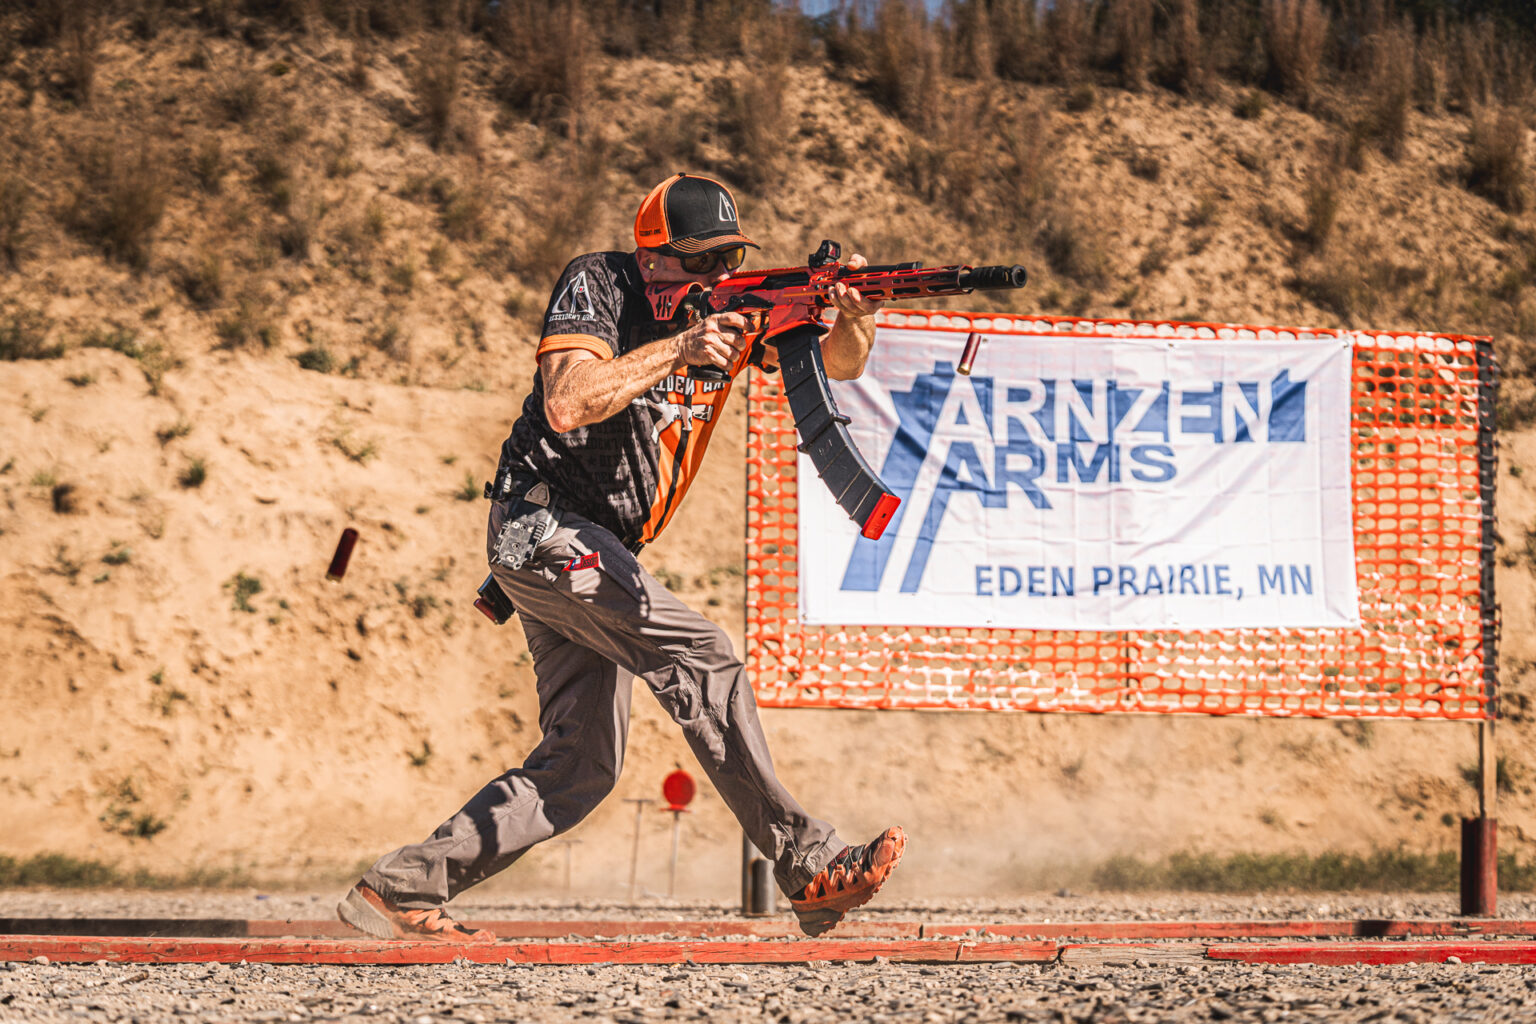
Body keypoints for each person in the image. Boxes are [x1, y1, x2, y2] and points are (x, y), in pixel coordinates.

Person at [337, 173, 904, 942]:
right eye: (699, 263)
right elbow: (568, 399)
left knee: (581, 767)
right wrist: (678, 347)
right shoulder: (598, 283)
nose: (716, 280)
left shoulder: (734, 307)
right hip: (540, 529)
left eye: (729, 261)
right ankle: (809, 865)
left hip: (594, 553)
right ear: (651, 257)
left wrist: (853, 319)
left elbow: (838, 364)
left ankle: (397, 890)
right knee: (702, 654)